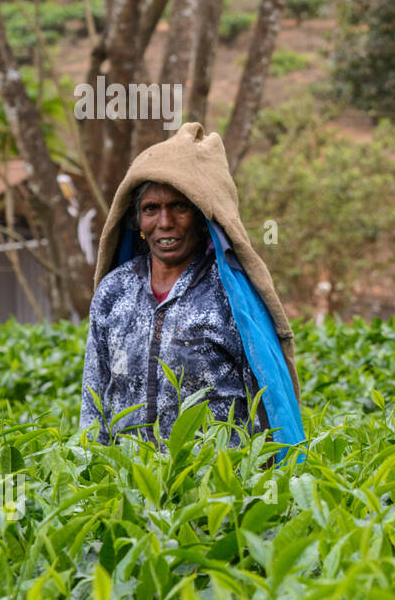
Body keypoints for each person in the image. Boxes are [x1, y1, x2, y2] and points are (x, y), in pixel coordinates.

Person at [81, 123, 303, 451]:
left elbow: (267, 406)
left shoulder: (230, 296)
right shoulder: (115, 291)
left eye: (179, 207)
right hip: (129, 484)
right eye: (151, 209)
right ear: (138, 222)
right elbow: (94, 398)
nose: (165, 222)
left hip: (214, 487)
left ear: (201, 216)